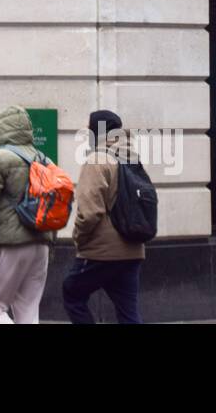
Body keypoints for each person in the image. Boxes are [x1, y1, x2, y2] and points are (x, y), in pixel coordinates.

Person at [0, 105, 53, 324]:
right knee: (28, 312)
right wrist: (50, 243)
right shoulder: (44, 159)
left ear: (0, 130)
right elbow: (55, 206)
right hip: (40, 246)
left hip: (10, 245)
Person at [62, 110, 145, 324]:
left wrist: (79, 239)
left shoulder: (97, 160)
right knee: (129, 314)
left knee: (72, 293)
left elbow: (89, 213)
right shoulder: (132, 159)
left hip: (101, 252)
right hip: (133, 251)